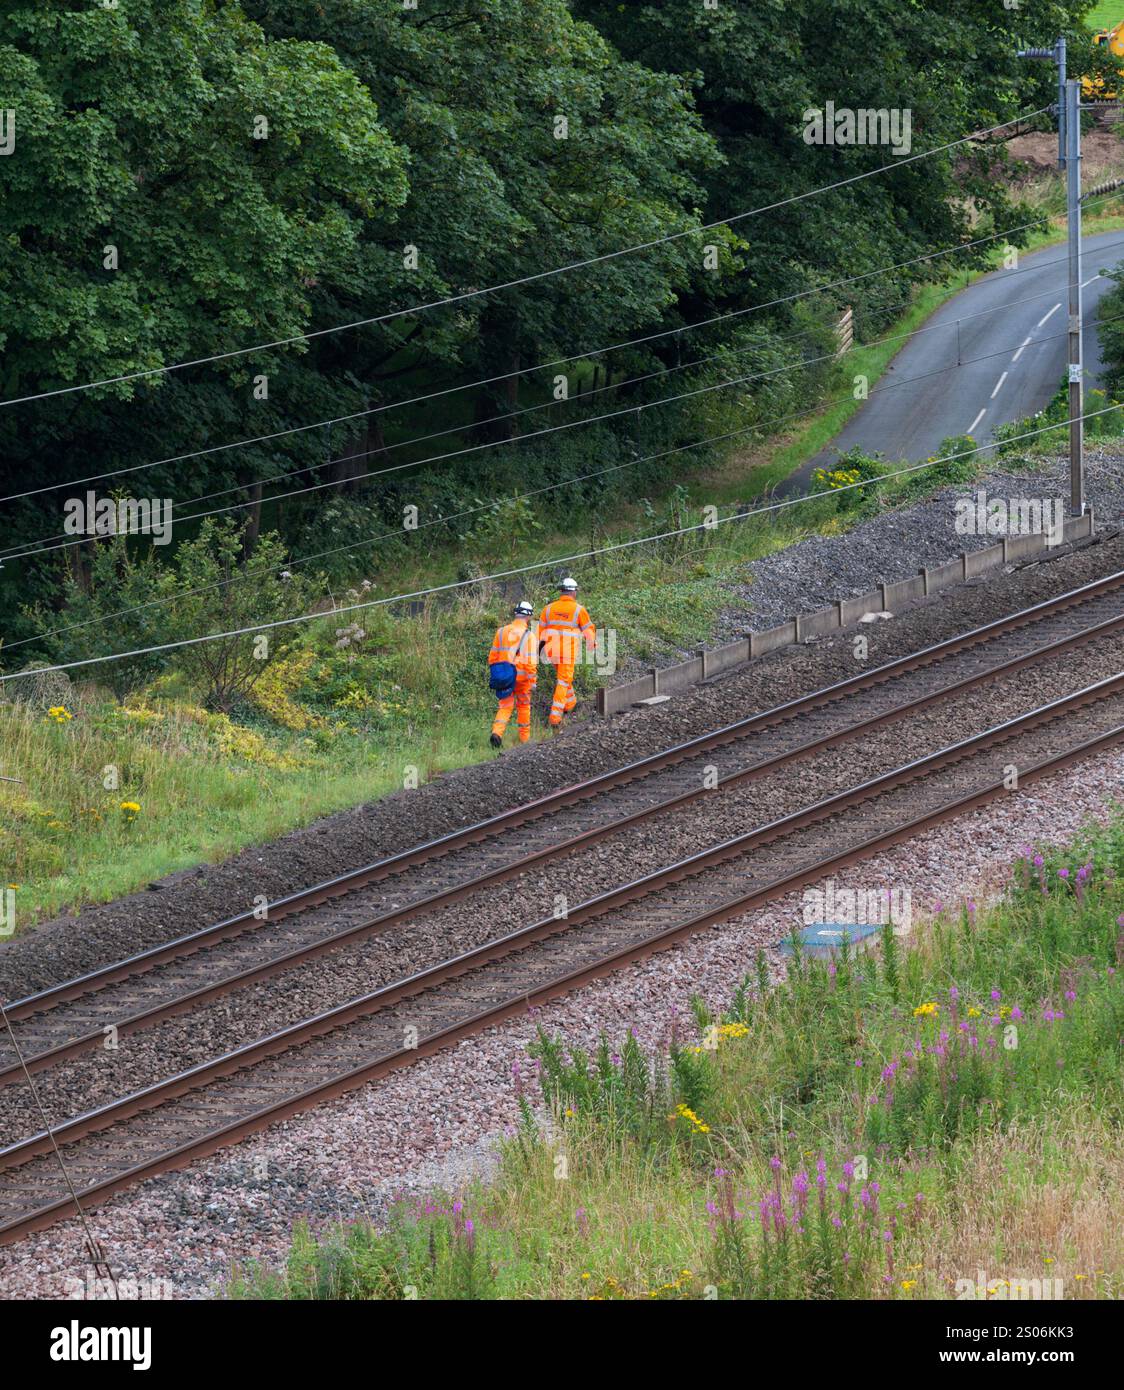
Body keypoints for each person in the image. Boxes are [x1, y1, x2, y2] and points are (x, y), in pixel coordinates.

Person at [538, 576, 595, 728]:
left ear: (561, 592)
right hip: (567, 653)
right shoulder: (578, 609)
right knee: (563, 681)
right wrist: (592, 644)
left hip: (551, 652)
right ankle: (555, 718)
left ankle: (571, 704)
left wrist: (539, 650)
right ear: (573, 592)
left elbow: (540, 632)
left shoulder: (548, 609)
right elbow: (588, 629)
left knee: (563, 678)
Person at [487, 599, 537, 748]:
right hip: (522, 679)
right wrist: (533, 681)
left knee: (505, 706)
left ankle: (497, 733)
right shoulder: (529, 636)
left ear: (516, 614)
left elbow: (492, 658)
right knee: (523, 706)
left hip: (505, 678)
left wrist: (499, 674)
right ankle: (524, 739)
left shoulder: (501, 632)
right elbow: (531, 663)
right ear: (528, 616)